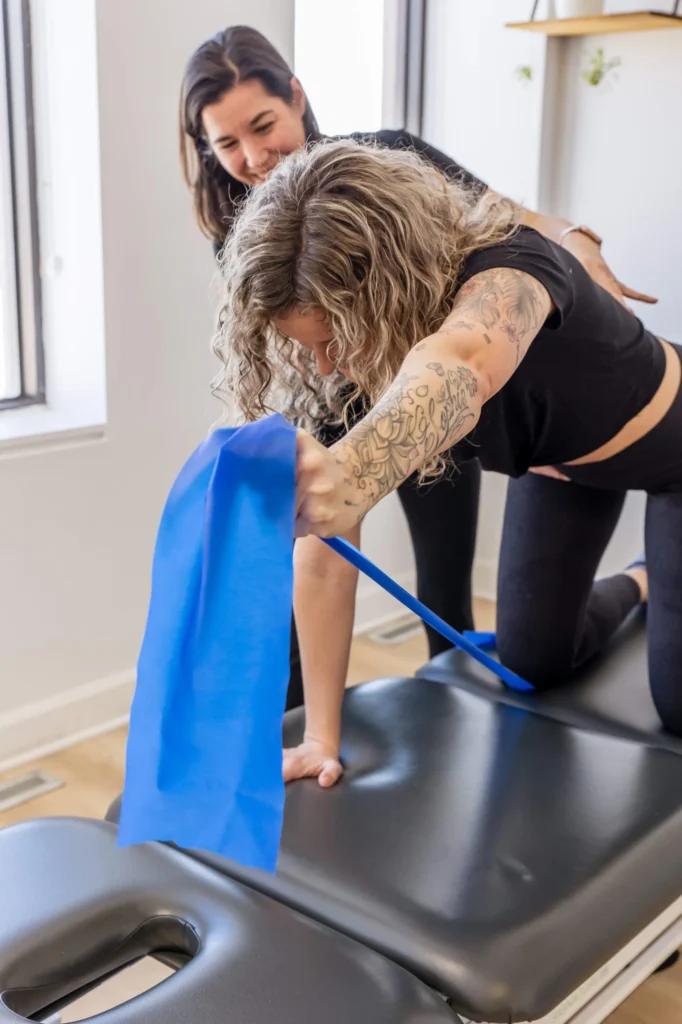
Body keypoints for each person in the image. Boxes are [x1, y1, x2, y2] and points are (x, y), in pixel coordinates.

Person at [180, 25, 656, 710]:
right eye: (227, 144)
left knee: (443, 586)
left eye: (263, 126)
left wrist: (581, 246)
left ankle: (461, 734)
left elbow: (510, 222)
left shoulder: (389, 161)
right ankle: (301, 753)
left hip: (426, 405)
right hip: (333, 417)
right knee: (302, 586)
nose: (253, 157)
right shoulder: (237, 234)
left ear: (296, 96)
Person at [214, 139, 682, 787]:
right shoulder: (365, 354)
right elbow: (323, 554)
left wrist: (355, 474)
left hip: (673, 450)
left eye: (332, 341)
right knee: (533, 662)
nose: (324, 364)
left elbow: (461, 364)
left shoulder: (510, 271)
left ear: (382, 291)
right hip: (561, 466)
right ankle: (644, 578)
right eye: (309, 347)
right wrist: (322, 737)